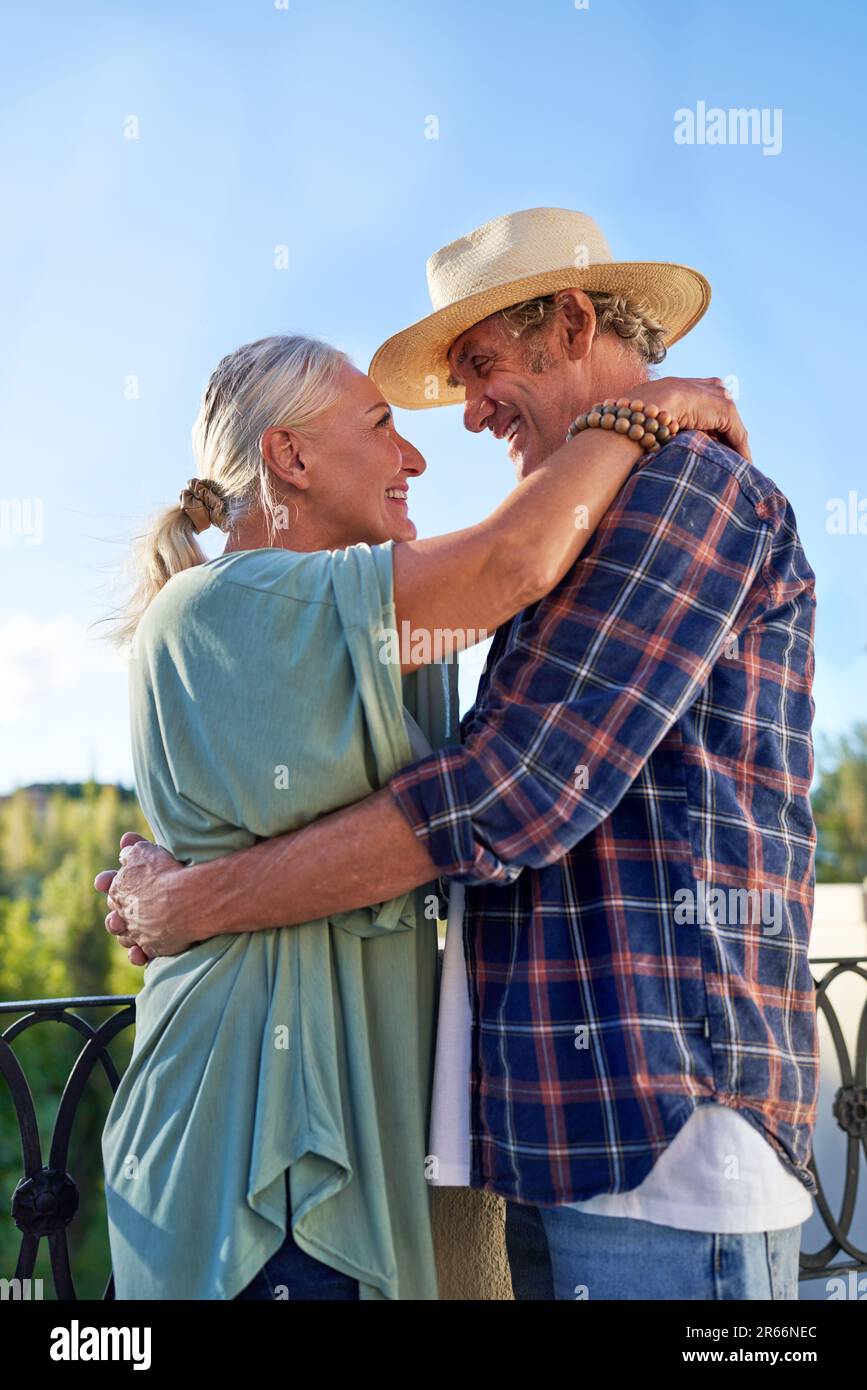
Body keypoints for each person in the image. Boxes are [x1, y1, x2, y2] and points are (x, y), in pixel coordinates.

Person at [100, 208, 815, 1302]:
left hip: (660, 1146)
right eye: (393, 417)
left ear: (572, 320)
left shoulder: (685, 491)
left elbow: (506, 787)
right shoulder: (499, 559)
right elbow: (496, 580)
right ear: (285, 454)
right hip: (550, 1146)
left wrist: (194, 898)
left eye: (481, 367)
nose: (461, 420)